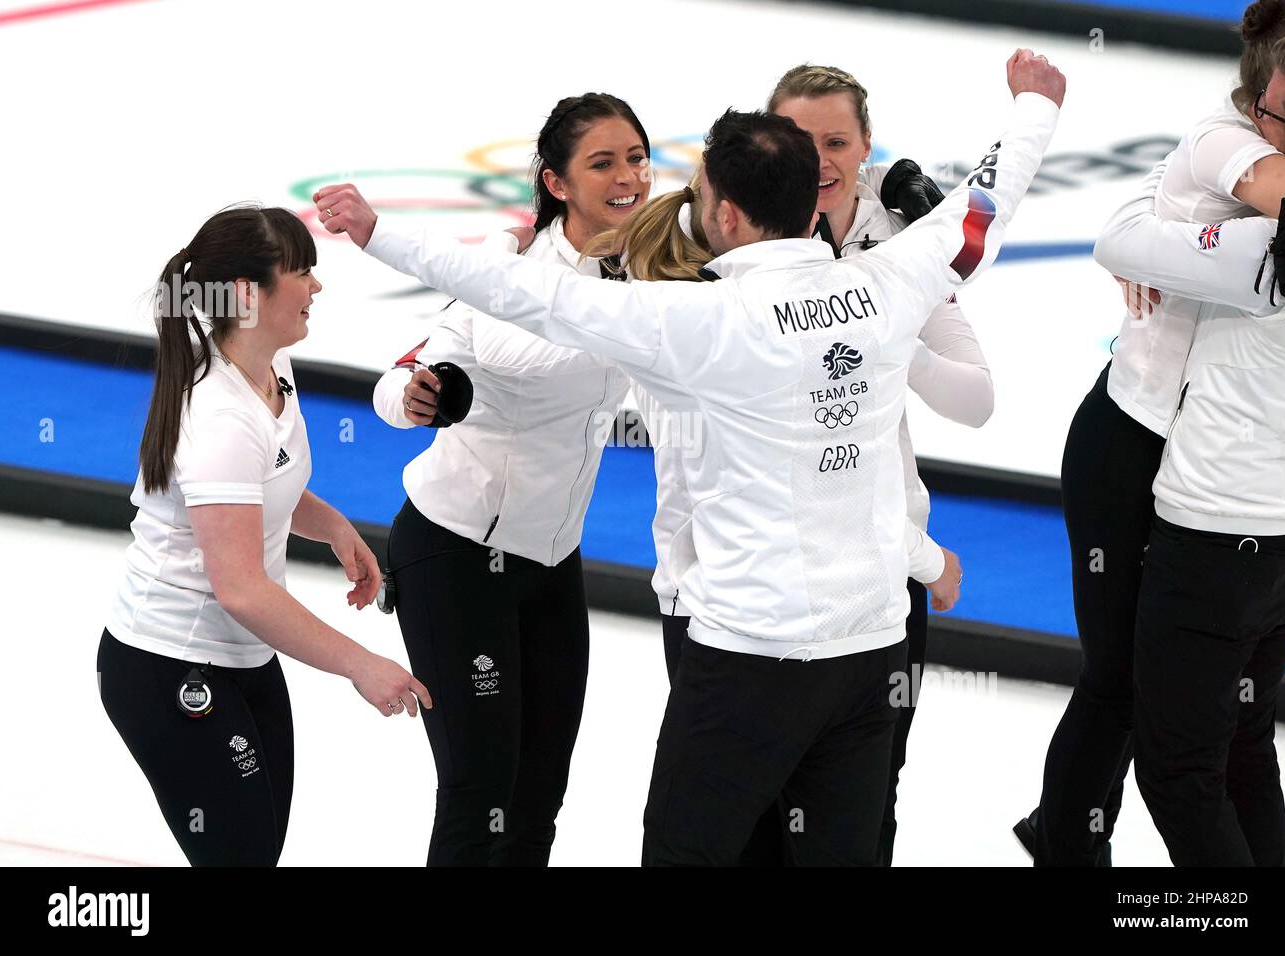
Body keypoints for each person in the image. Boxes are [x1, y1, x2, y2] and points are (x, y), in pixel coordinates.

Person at [320, 48, 1064, 865]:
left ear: (731, 218)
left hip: (747, 657)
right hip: (868, 653)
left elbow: (523, 292)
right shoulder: (893, 281)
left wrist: (379, 233)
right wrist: (1034, 107)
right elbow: (987, 200)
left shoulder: (695, 323)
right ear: (809, 208)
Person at [325, 92, 652, 866]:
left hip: (552, 557)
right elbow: (411, 373)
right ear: (557, 183)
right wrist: (418, 394)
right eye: (602, 162)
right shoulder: (513, 272)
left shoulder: (650, 264)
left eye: (636, 157)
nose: (628, 176)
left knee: (538, 798)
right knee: (481, 793)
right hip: (455, 553)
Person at [1019, 0, 1285, 865]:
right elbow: (1124, 237)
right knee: (1120, 682)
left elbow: (1137, 235)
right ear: (1261, 98)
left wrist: (1159, 245)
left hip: (1213, 463)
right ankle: (1066, 840)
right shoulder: (1228, 143)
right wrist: (1153, 248)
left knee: (1217, 712)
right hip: (1132, 437)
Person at [98, 206, 430, 867]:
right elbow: (243, 591)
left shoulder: (272, 369)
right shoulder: (218, 414)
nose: (317, 286)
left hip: (245, 659)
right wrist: (361, 665)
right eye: (302, 271)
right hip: (172, 666)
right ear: (249, 295)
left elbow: (262, 484)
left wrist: (331, 525)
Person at [769, 62, 994, 866]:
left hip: (885, 561)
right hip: (762, 563)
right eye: (798, 141)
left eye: (837, 141)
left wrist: (884, 340)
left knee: (866, 799)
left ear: (867, 149)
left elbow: (974, 398)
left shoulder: (906, 240)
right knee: (755, 801)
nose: (819, 160)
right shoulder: (730, 231)